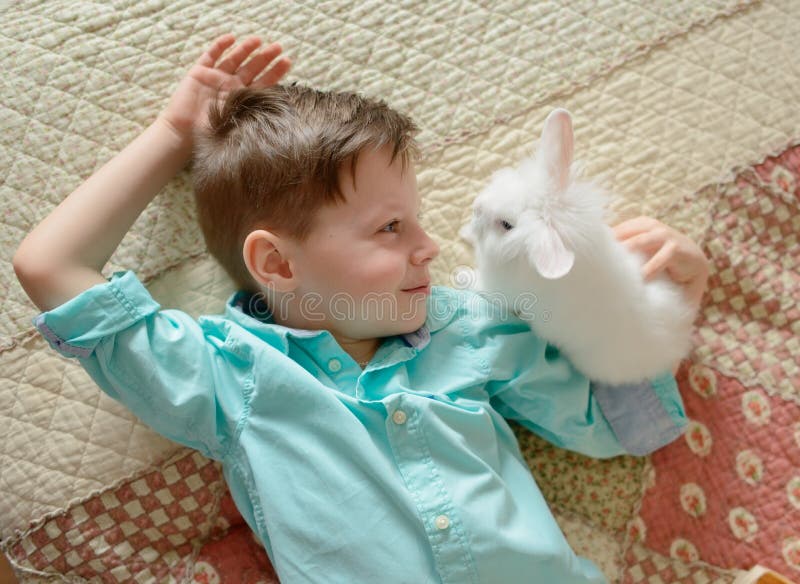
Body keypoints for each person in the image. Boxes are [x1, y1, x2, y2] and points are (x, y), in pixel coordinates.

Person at [13, 34, 709, 583]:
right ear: (279, 265)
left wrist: (670, 292)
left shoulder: (462, 326)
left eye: (417, 221)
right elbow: (50, 265)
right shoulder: (227, 376)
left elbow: (620, 424)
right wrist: (174, 135)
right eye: (390, 229)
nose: (431, 247)